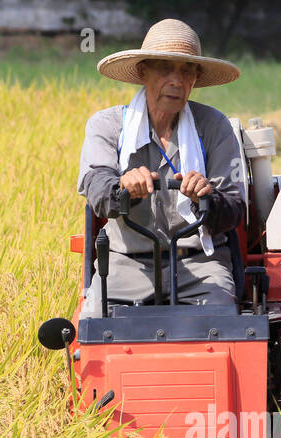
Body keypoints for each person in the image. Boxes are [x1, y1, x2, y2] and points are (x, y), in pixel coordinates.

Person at [76, 19, 246, 313]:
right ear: (143, 72)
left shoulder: (214, 126)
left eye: (186, 71)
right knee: (95, 323)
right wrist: (122, 189)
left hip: (201, 265)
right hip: (126, 264)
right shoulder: (108, 126)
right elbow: (97, 190)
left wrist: (206, 197)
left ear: (196, 78)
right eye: (165, 68)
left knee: (225, 326)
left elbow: (234, 208)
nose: (176, 81)